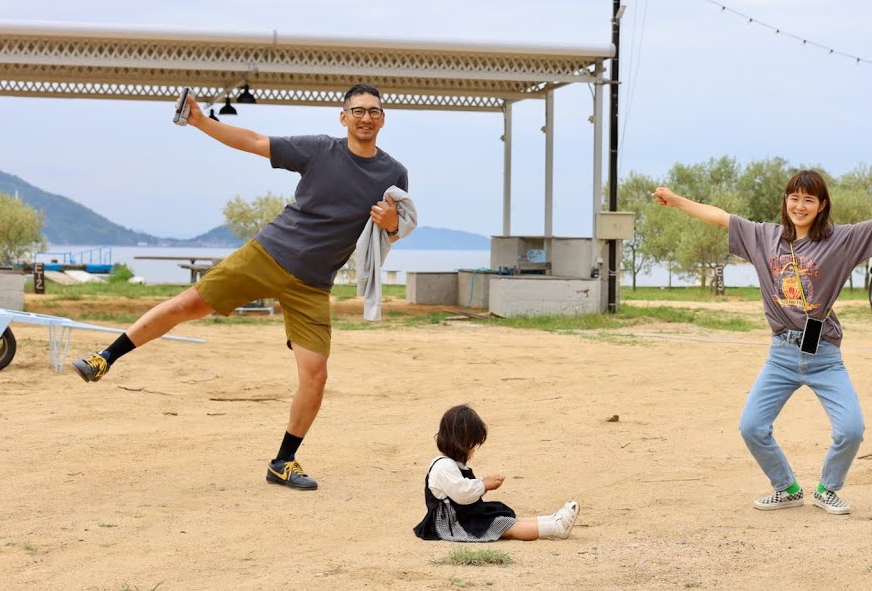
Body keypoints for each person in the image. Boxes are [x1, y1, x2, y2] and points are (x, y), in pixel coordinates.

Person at [70, 83, 410, 491]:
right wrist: (199, 120)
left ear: (383, 119)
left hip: (314, 284)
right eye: (358, 111)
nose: (366, 118)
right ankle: (105, 357)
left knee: (315, 375)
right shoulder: (320, 150)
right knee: (188, 305)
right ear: (343, 117)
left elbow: (396, 228)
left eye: (374, 111)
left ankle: (283, 462)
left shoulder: (393, 173)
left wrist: (390, 222)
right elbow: (252, 140)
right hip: (269, 253)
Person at [652, 171, 872, 515]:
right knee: (752, 427)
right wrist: (677, 200)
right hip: (780, 354)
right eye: (794, 198)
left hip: (824, 355)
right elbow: (720, 216)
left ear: (821, 205)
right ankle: (787, 489)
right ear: (785, 201)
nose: (800, 206)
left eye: (809, 200)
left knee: (851, 430)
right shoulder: (763, 237)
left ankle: (828, 489)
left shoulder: (839, 240)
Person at [414, 404, 580, 542]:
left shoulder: (451, 465)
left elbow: (463, 489)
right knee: (505, 525)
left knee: (505, 517)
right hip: (454, 523)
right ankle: (555, 527)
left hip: (465, 515)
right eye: (472, 446)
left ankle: (551, 519)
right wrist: (483, 484)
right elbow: (463, 494)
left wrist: (484, 485)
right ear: (461, 444)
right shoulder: (444, 467)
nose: (473, 451)